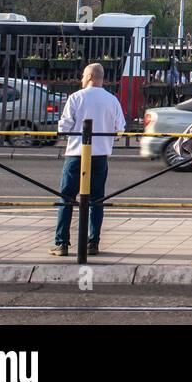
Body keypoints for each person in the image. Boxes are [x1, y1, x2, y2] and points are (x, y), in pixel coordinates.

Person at [51, 63, 128, 257]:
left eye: (83, 75)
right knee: (96, 200)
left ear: (91, 76)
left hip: (76, 155)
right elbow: (120, 129)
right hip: (100, 156)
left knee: (67, 198)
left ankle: (62, 243)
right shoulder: (112, 100)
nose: (81, 78)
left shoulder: (76, 97)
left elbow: (65, 127)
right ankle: (92, 243)